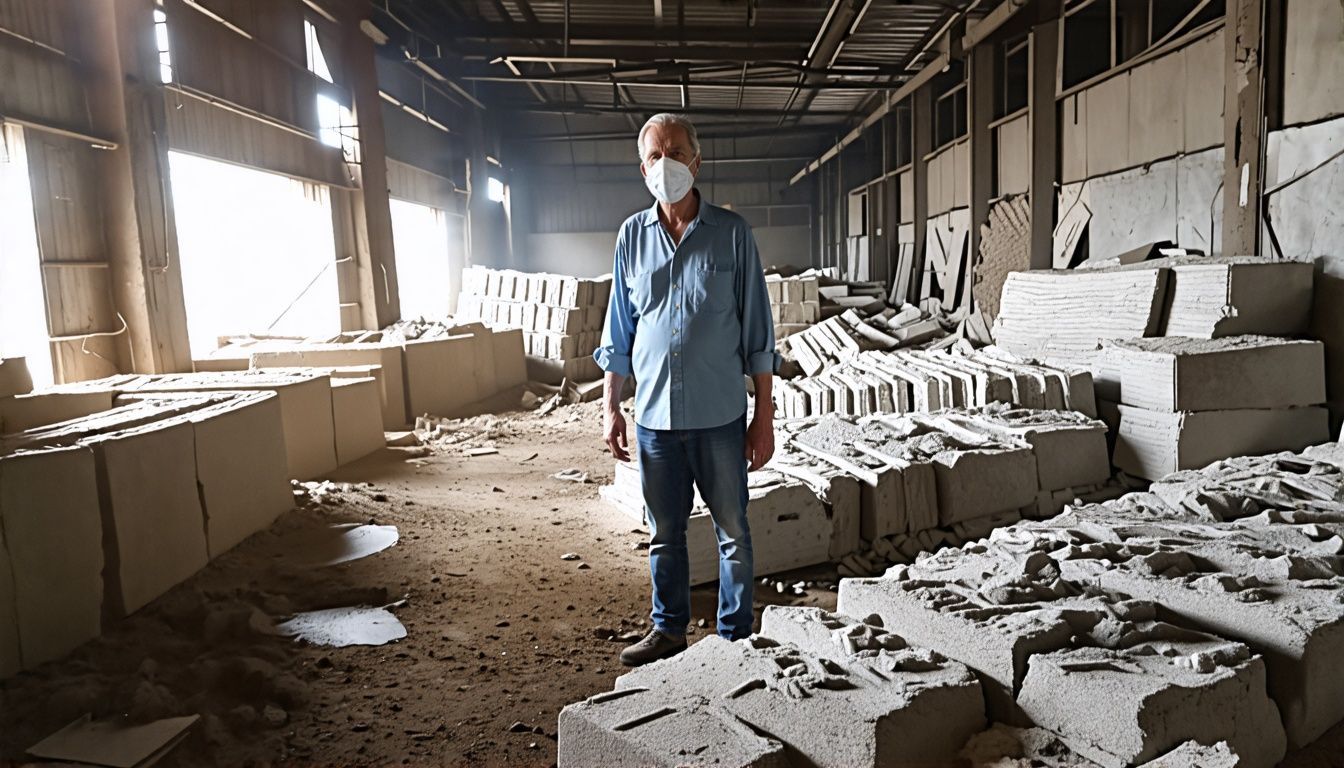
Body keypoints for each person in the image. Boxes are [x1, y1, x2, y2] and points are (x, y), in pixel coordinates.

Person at [594, 113, 779, 667]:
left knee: (732, 532)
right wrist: (610, 407)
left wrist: (763, 416)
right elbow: (618, 331)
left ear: (696, 163)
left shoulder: (732, 234)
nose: (665, 164)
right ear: (642, 168)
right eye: (655, 155)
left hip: (719, 416)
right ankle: (668, 629)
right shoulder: (631, 237)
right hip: (654, 419)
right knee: (664, 534)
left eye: (675, 152)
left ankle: (734, 637)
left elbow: (758, 334)